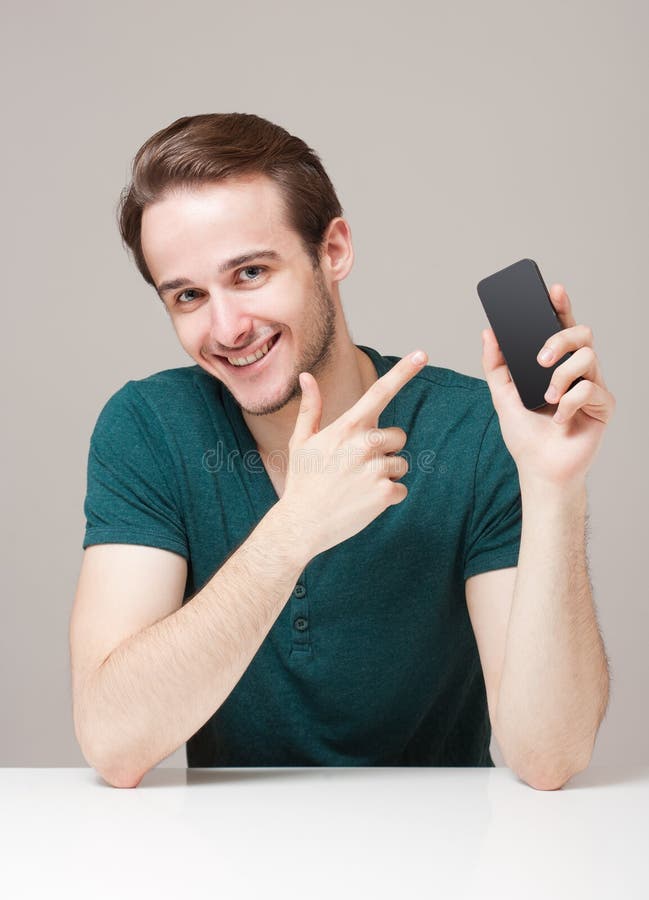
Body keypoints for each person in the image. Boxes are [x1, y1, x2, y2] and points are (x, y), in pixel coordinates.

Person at [70, 113, 614, 790]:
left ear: (333, 251)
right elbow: (113, 743)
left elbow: (548, 757)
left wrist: (553, 483)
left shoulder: (476, 431)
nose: (226, 328)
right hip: (221, 862)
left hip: (443, 858)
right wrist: (293, 530)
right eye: (187, 295)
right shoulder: (150, 428)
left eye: (249, 272)